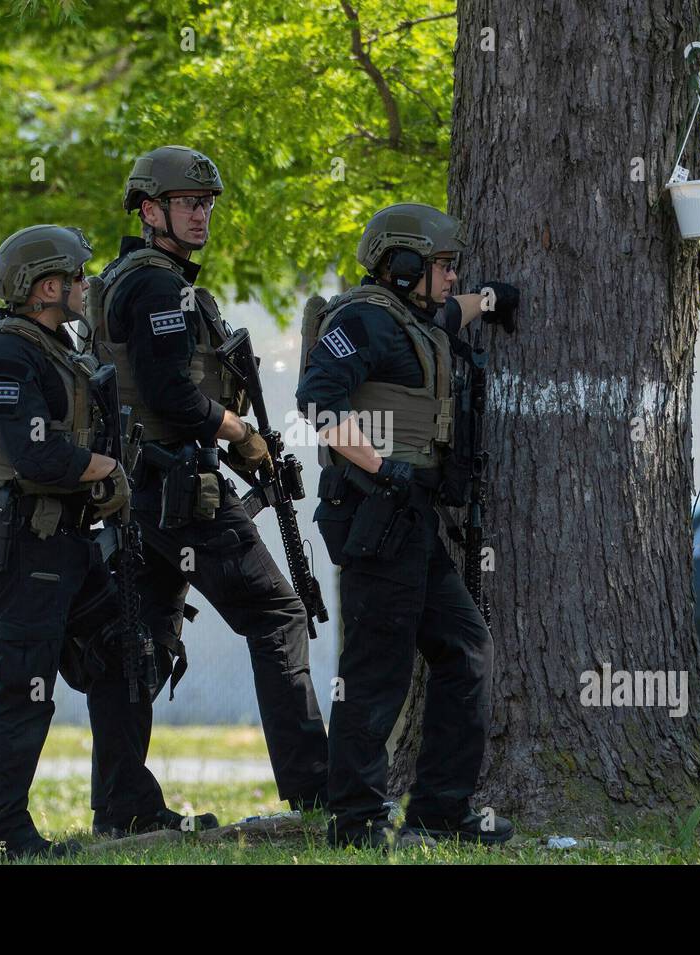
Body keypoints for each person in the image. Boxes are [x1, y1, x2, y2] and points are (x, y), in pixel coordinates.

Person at [84, 145, 329, 833]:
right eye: (189, 204)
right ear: (149, 209)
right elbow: (172, 393)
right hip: (179, 486)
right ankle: (317, 793)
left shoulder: (126, 279)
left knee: (140, 646)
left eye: (206, 204)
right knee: (276, 612)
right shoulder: (158, 286)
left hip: (142, 494)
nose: (201, 215)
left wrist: (251, 455)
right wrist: (241, 434)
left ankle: (125, 808)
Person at [295, 203, 520, 848]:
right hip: (376, 510)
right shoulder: (362, 318)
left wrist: (489, 299)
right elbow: (316, 399)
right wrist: (382, 465)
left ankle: (441, 809)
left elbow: (449, 316)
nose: (450, 278)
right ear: (403, 265)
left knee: (465, 648)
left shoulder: (412, 322)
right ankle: (356, 820)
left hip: (411, 514)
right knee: (376, 669)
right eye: (443, 266)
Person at [0, 224, 174, 860]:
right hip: (26, 544)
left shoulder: (59, 347)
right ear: (46, 286)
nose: (87, 286)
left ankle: (126, 806)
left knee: (129, 653)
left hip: (75, 546)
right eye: (78, 278)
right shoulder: (6, 353)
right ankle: (6, 835)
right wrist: (109, 469)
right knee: (23, 685)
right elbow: (36, 454)